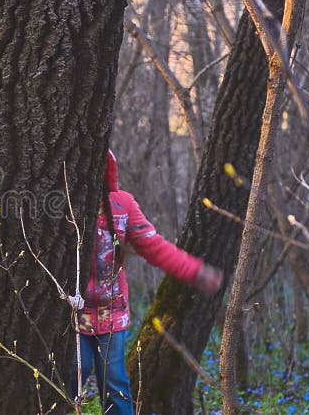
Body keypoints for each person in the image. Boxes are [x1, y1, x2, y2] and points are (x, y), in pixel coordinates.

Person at [72, 150, 223, 415]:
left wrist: (195, 272)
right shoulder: (64, 204)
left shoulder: (122, 205)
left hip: (110, 315)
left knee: (115, 383)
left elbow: (155, 246)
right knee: (71, 379)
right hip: (70, 315)